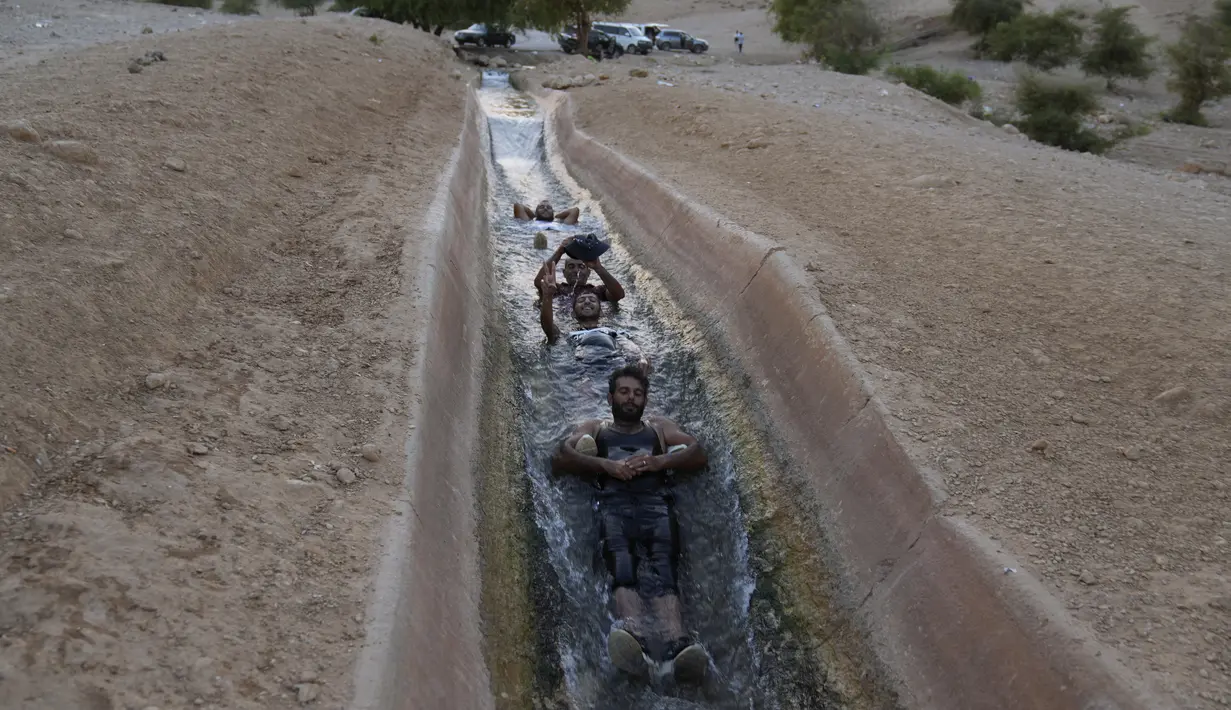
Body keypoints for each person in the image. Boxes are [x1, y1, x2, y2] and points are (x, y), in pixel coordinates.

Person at [552, 365, 711, 682]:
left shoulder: (659, 428)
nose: (631, 398)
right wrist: (605, 465)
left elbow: (698, 452)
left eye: (638, 393)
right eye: (624, 392)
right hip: (612, 506)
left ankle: (676, 644)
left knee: (664, 567)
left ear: (645, 400)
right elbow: (561, 456)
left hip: (657, 505)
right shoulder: (595, 427)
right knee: (622, 565)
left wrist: (659, 461)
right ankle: (634, 637)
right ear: (611, 396)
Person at [514, 199, 581, 225]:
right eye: (542, 207)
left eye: (549, 208)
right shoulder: (529, 223)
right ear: (536, 212)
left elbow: (575, 210)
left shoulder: (562, 225)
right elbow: (518, 206)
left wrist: (555, 217)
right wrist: (534, 215)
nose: (545, 208)